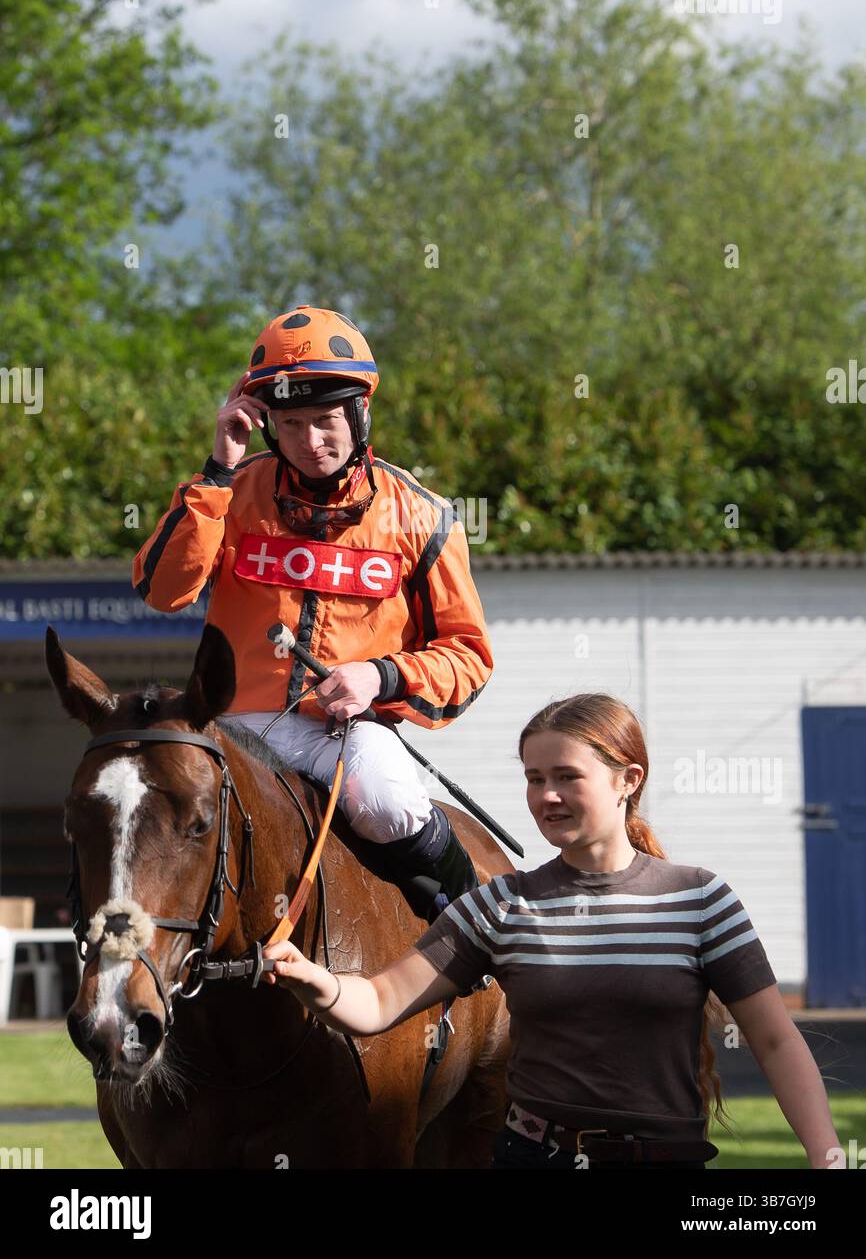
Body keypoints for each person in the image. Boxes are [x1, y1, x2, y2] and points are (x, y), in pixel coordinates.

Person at [260, 693, 842, 1170]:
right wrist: (312, 980)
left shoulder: (701, 899)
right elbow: (381, 1000)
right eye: (535, 778)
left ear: (627, 780)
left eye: (567, 776)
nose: (547, 796)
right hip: (534, 1158)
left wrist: (827, 1156)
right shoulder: (502, 903)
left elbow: (774, 1041)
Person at [131, 305, 493, 940]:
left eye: (326, 422)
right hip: (235, 725)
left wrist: (379, 677)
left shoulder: (423, 515)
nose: (310, 441)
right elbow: (163, 591)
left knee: (387, 805)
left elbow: (467, 656)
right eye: (290, 424)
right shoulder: (230, 493)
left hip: (347, 730)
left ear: (358, 413)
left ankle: (481, 930)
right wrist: (217, 469)